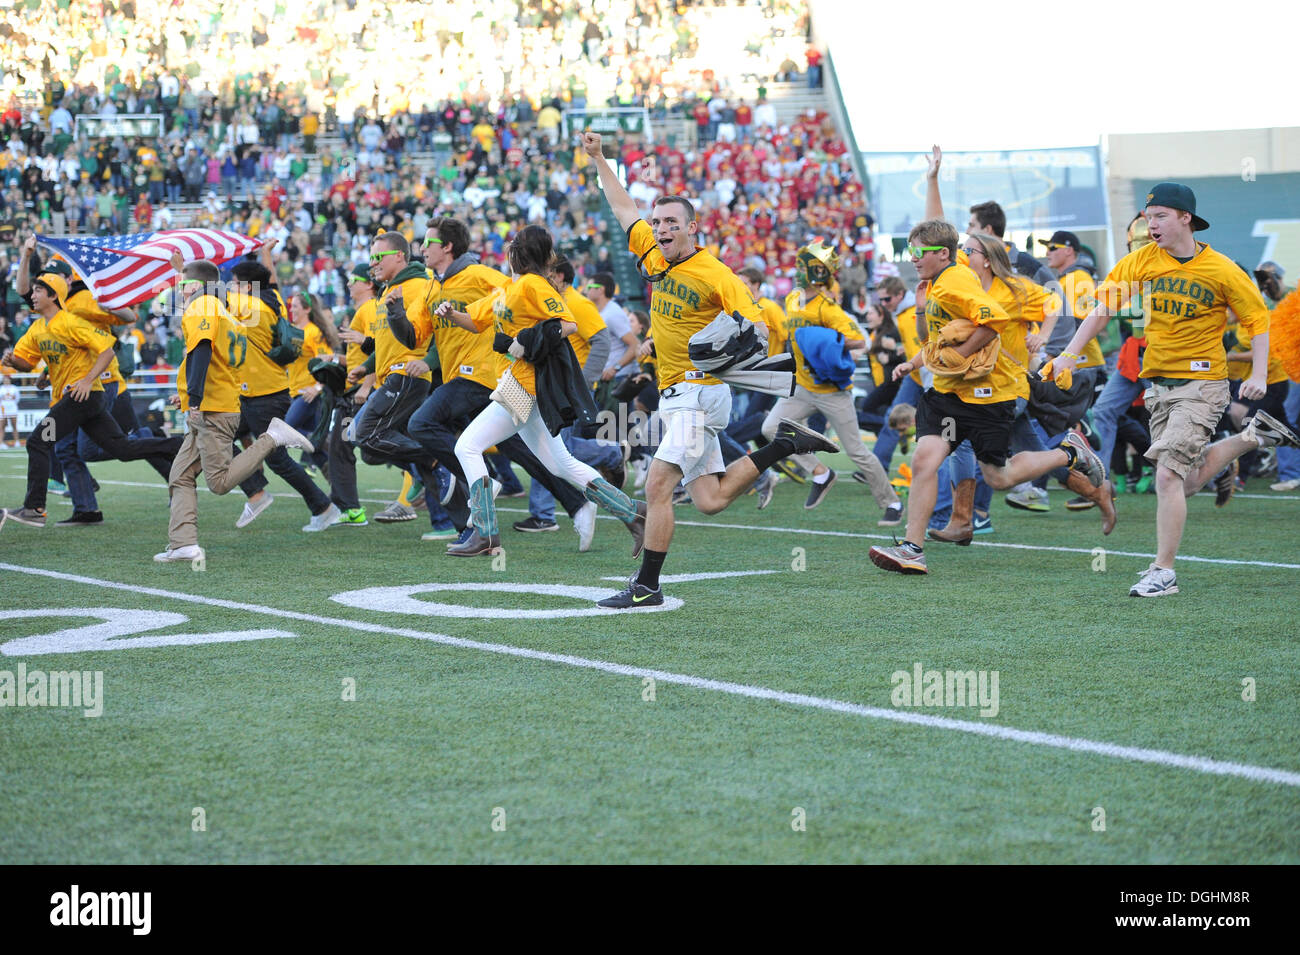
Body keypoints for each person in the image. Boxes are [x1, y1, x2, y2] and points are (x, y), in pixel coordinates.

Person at [582, 131, 838, 607]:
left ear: (692, 227)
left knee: (658, 484)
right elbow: (623, 209)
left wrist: (730, 342)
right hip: (679, 393)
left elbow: (756, 324)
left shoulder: (716, 273)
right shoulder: (654, 254)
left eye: (671, 221)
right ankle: (786, 444)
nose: (661, 227)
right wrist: (599, 159)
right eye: (657, 220)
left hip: (700, 392)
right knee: (710, 500)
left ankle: (647, 587)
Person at [1050, 182, 1300, 596]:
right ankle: (1253, 436)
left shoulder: (1221, 269)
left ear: (1186, 218)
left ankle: (1163, 571)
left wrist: (1257, 375)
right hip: (1157, 386)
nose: (1152, 225)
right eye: (1148, 218)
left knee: (1167, 477)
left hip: (1204, 383)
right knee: (1181, 482)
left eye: (1161, 216)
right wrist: (1068, 355)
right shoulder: (1141, 260)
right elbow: (1102, 309)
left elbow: (1258, 321)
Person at [867, 217, 1113, 576]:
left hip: (993, 394)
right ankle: (915, 547)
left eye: (919, 251)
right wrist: (917, 352)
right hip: (949, 394)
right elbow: (933, 338)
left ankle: (1068, 454)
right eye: (911, 250)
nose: (913, 257)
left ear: (949, 255)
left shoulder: (971, 282)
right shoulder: (941, 281)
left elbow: (998, 318)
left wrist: (1038, 338)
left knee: (999, 476)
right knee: (925, 460)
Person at [433, 224, 646, 558]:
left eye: (514, 245)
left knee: (467, 447)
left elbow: (567, 324)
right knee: (561, 464)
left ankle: (486, 532)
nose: (509, 249)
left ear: (521, 252)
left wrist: (526, 340)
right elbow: (476, 321)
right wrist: (450, 313)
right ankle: (635, 515)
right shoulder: (512, 287)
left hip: (524, 386)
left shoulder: (532, 284)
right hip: (520, 385)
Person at [406, 217, 599, 547]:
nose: (422, 248)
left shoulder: (497, 278)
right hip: (497, 378)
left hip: (484, 376)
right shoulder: (432, 285)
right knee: (537, 455)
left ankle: (484, 503)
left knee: (428, 427)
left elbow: (552, 316)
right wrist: (448, 315)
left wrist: (526, 338)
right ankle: (587, 505)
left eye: (428, 242)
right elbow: (421, 334)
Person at [155, 256, 314, 562]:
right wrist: (189, 395)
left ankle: (272, 437)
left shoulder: (203, 306)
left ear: (197, 286)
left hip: (213, 408)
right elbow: (214, 360)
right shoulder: (224, 310)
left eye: (184, 285)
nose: (181, 290)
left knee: (219, 482)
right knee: (180, 475)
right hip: (219, 402)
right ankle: (183, 543)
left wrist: (196, 398)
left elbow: (201, 350)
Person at [0, 272, 183, 529]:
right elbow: (26, 362)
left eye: (38, 290)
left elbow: (106, 352)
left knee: (38, 442)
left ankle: (34, 508)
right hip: (82, 400)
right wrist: (15, 363)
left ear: (54, 295)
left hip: (82, 397)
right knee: (123, 450)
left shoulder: (71, 322)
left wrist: (87, 380)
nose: (32, 295)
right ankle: (178, 444)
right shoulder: (37, 328)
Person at [759, 240, 902, 522]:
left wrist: (826, 342)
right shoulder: (792, 299)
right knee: (770, 427)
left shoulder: (828, 307)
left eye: (804, 265)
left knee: (857, 451)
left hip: (832, 391)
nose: (798, 269)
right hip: (801, 387)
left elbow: (858, 340)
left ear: (816, 271)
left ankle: (892, 503)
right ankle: (821, 473)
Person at [226, 248, 339, 532]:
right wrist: (266, 255)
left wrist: (181, 274)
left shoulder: (250, 308)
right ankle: (259, 492)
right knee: (218, 433)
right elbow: (272, 282)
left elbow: (205, 297)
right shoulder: (270, 298)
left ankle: (321, 506)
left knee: (277, 458)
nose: (231, 287)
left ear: (246, 287)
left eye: (235, 282)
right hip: (263, 391)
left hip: (262, 395)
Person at [0, 374, 17, 447]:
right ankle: (1, 442)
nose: (6, 380)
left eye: (7, 379)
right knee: (2, 426)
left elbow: (17, 399)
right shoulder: (1, 388)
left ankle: (17, 442)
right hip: (3, 409)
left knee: (14, 425)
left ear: (10, 380)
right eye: (4, 379)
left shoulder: (14, 388)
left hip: (12, 408)